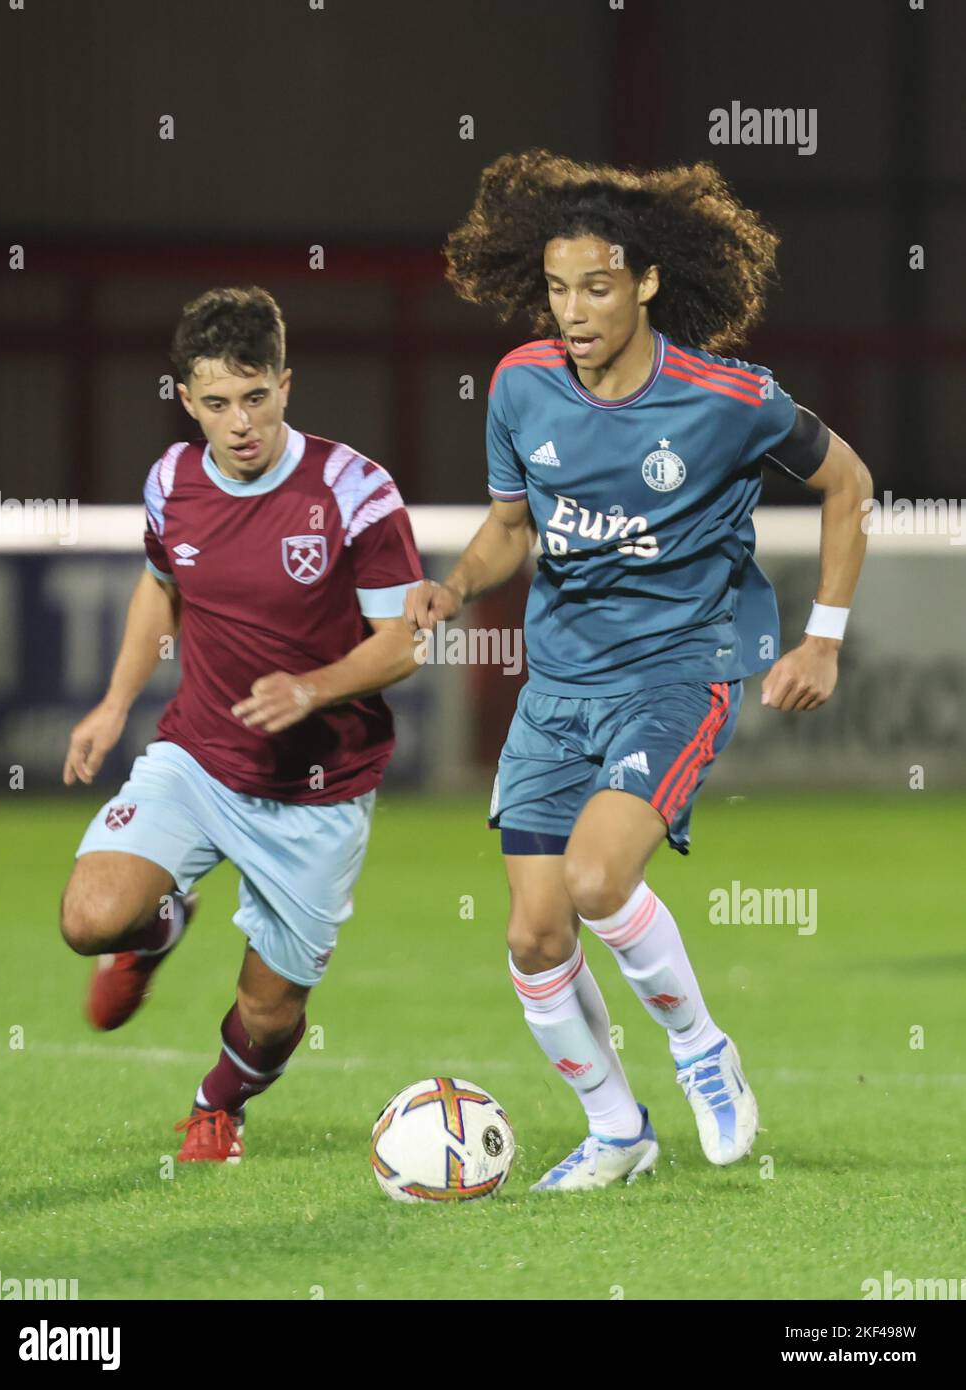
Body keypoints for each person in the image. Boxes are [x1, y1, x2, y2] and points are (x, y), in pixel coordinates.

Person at [405, 150, 873, 1192]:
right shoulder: (522, 386)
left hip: (677, 671)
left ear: (647, 281)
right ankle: (617, 1129)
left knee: (596, 877)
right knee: (532, 936)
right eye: (559, 287)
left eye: (598, 287)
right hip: (556, 690)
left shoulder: (726, 397)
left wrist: (823, 634)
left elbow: (849, 483)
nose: (572, 310)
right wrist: (455, 587)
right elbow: (507, 527)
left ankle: (704, 1050)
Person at [61, 286, 423, 1163]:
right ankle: (157, 929)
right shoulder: (171, 482)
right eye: (216, 403)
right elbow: (162, 586)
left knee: (269, 1014)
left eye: (256, 397)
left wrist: (313, 689)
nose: (240, 424)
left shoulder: (353, 490)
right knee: (90, 920)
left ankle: (217, 1103)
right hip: (198, 756)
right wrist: (115, 702)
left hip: (319, 791)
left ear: (286, 386)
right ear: (186, 399)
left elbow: (404, 641)